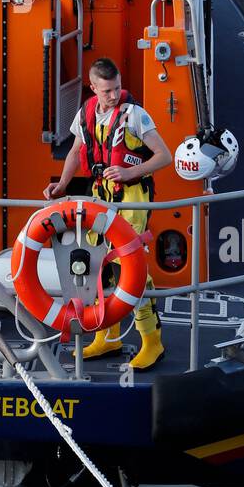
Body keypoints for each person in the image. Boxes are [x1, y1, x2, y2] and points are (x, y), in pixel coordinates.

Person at [43, 57, 172, 367]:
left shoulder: (135, 116)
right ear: (94, 89)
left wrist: (131, 172)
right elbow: (76, 151)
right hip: (100, 194)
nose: (114, 95)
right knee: (97, 264)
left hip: (132, 198)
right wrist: (62, 184)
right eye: (107, 91)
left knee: (131, 267)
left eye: (117, 89)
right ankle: (107, 337)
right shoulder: (86, 115)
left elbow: (164, 156)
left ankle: (152, 342)